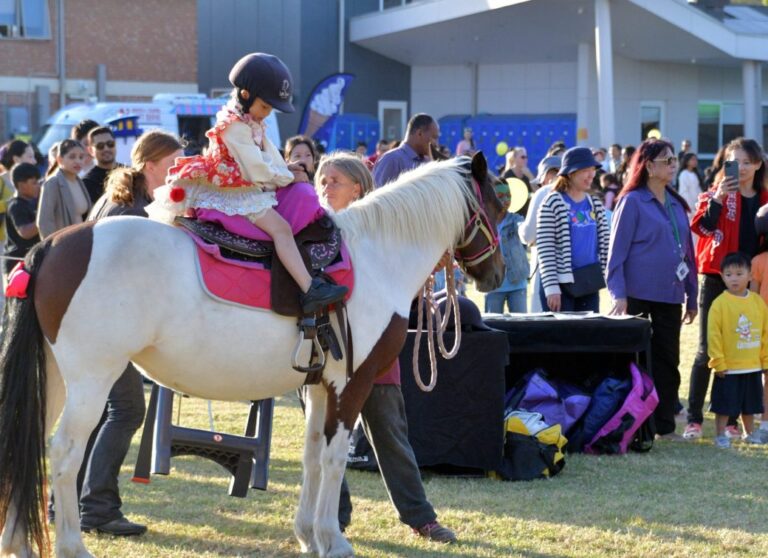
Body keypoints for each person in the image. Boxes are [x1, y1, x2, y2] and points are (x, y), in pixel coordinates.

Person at [314, 151, 456, 543]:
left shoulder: (385, 231)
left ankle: (419, 516)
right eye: (321, 181)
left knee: (390, 434)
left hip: (374, 352)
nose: (324, 188)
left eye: (334, 181)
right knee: (325, 435)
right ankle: (334, 517)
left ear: (358, 187)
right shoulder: (313, 230)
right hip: (325, 351)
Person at [147, 52, 346, 314]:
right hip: (235, 192)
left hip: (245, 185)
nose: (268, 113)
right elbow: (256, 169)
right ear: (245, 95)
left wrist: (287, 170)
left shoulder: (252, 121)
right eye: (265, 106)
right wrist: (287, 175)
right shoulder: (234, 126)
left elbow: (270, 156)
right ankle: (310, 289)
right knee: (282, 230)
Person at [76, 131, 184, 536]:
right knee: (125, 411)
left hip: (97, 321)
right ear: (151, 165)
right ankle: (98, 509)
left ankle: (71, 502)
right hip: (103, 324)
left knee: (97, 412)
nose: (180, 172)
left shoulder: (126, 198)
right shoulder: (131, 209)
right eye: (174, 164)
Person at [607, 139, 698, 440]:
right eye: (667, 159)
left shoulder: (675, 203)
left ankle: (664, 426)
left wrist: (693, 295)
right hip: (636, 295)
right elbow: (615, 255)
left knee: (668, 361)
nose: (674, 163)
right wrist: (618, 294)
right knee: (634, 362)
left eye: (674, 159)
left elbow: (688, 253)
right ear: (648, 165)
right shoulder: (632, 201)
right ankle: (629, 425)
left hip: (670, 295)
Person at [685, 137, 768, 440]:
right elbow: (702, 227)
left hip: (750, 281)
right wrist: (718, 198)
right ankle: (694, 418)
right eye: (736, 162)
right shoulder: (716, 194)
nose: (742, 168)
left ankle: (731, 421)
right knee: (707, 349)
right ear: (725, 163)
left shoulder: (765, 199)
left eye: (748, 162)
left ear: (758, 164)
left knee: (741, 349)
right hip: (717, 277)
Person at [536, 147, 609, 313]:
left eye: (593, 170)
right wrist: (552, 288)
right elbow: (545, 248)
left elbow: (605, 243)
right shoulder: (552, 203)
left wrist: (609, 277)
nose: (591, 175)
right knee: (563, 337)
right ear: (570, 173)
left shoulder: (595, 203)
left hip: (589, 282)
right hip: (561, 287)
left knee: (588, 336)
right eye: (585, 170)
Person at [707, 252, 767, 448]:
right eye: (729, 274)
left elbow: (766, 332)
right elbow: (714, 336)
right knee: (725, 403)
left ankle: (749, 433)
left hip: (752, 365)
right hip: (728, 367)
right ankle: (720, 434)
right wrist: (718, 362)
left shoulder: (758, 303)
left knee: (750, 404)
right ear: (722, 277)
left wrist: (765, 360)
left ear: (750, 276)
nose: (734, 278)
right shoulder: (719, 304)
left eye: (739, 273)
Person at [519, 155, 562, 312]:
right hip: (576, 272)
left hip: (545, 266)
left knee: (544, 321)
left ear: (549, 174)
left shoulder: (543, 193)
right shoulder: (580, 193)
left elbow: (528, 234)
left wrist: (520, 227)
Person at [484, 179, 528, 313]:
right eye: (501, 196)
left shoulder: (516, 220)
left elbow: (523, 230)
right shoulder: (484, 224)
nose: (506, 199)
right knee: (493, 325)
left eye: (509, 195)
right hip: (492, 285)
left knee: (521, 325)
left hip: (517, 284)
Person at [37, 139, 92, 239]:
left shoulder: (79, 182)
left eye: (81, 157)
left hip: (81, 241)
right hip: (62, 245)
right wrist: (52, 248)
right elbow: (44, 222)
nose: (78, 161)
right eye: (72, 157)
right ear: (59, 159)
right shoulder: (52, 183)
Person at [372, 113, 440, 188]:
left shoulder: (427, 161)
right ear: (420, 133)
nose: (436, 144)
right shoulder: (392, 160)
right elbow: (378, 196)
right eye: (434, 137)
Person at [3, 162, 40, 276]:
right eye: (34, 183)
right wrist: (43, 219)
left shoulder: (32, 202)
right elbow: (25, 232)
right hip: (17, 266)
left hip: (29, 260)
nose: (38, 186)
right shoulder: (16, 206)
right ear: (21, 185)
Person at [82, 126, 122, 203]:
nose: (106, 149)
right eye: (100, 146)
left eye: (110, 144)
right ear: (90, 150)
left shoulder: (130, 174)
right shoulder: (87, 182)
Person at [501, 147, 535, 216]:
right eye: (522, 157)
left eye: (526, 157)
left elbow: (537, 192)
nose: (525, 160)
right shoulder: (507, 175)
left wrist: (530, 177)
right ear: (514, 158)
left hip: (527, 214)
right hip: (511, 216)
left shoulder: (527, 175)